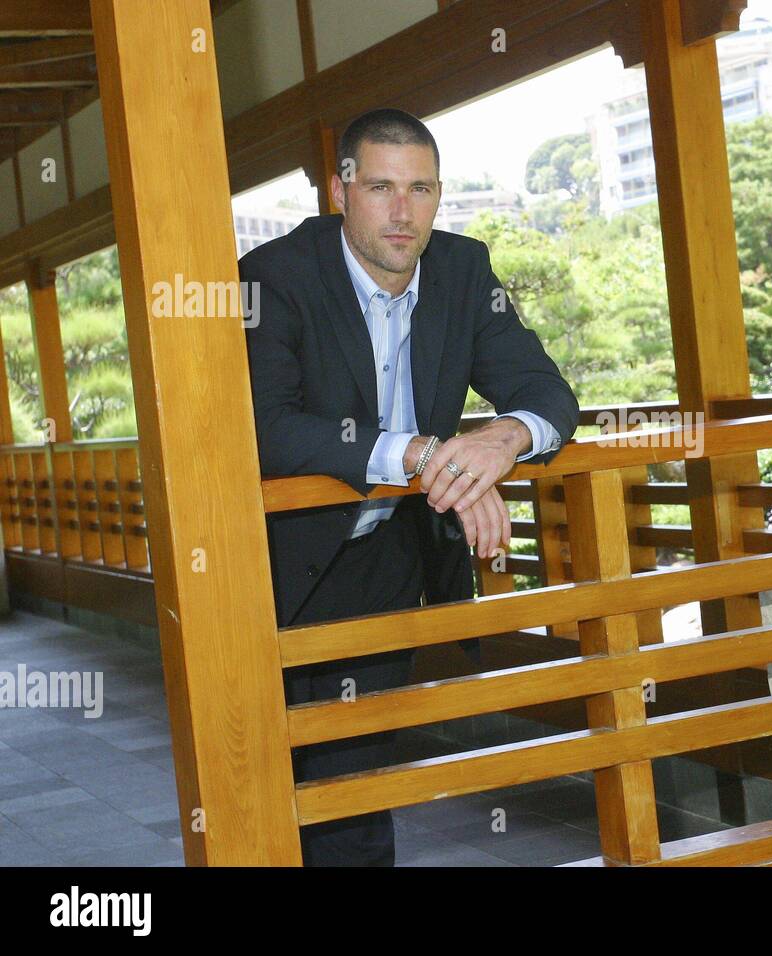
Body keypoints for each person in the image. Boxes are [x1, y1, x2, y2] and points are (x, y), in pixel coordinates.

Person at [239, 107, 580, 866]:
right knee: (259, 783)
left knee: (352, 780)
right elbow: (269, 427)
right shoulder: (273, 277)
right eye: (382, 188)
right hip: (276, 561)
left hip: (383, 561)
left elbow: (549, 393)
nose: (404, 213)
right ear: (341, 190)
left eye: (421, 189)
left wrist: (500, 440)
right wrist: (427, 455)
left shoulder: (462, 270)